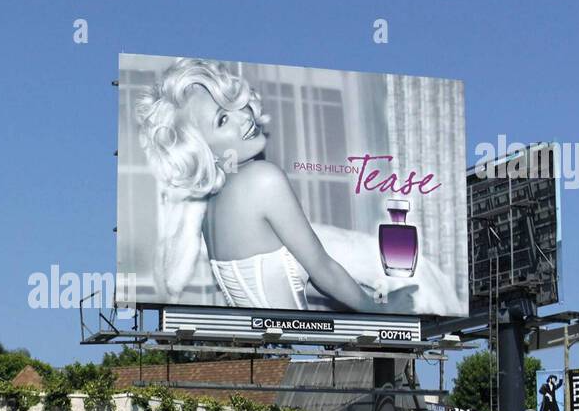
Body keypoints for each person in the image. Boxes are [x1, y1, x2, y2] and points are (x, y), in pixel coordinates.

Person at [134, 58, 419, 313]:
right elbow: (321, 269)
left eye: (234, 104)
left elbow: (294, 279)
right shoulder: (262, 179)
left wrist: (366, 293)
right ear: (203, 151)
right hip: (292, 352)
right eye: (222, 120)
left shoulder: (212, 206)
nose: (244, 117)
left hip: (261, 351)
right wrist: (379, 307)